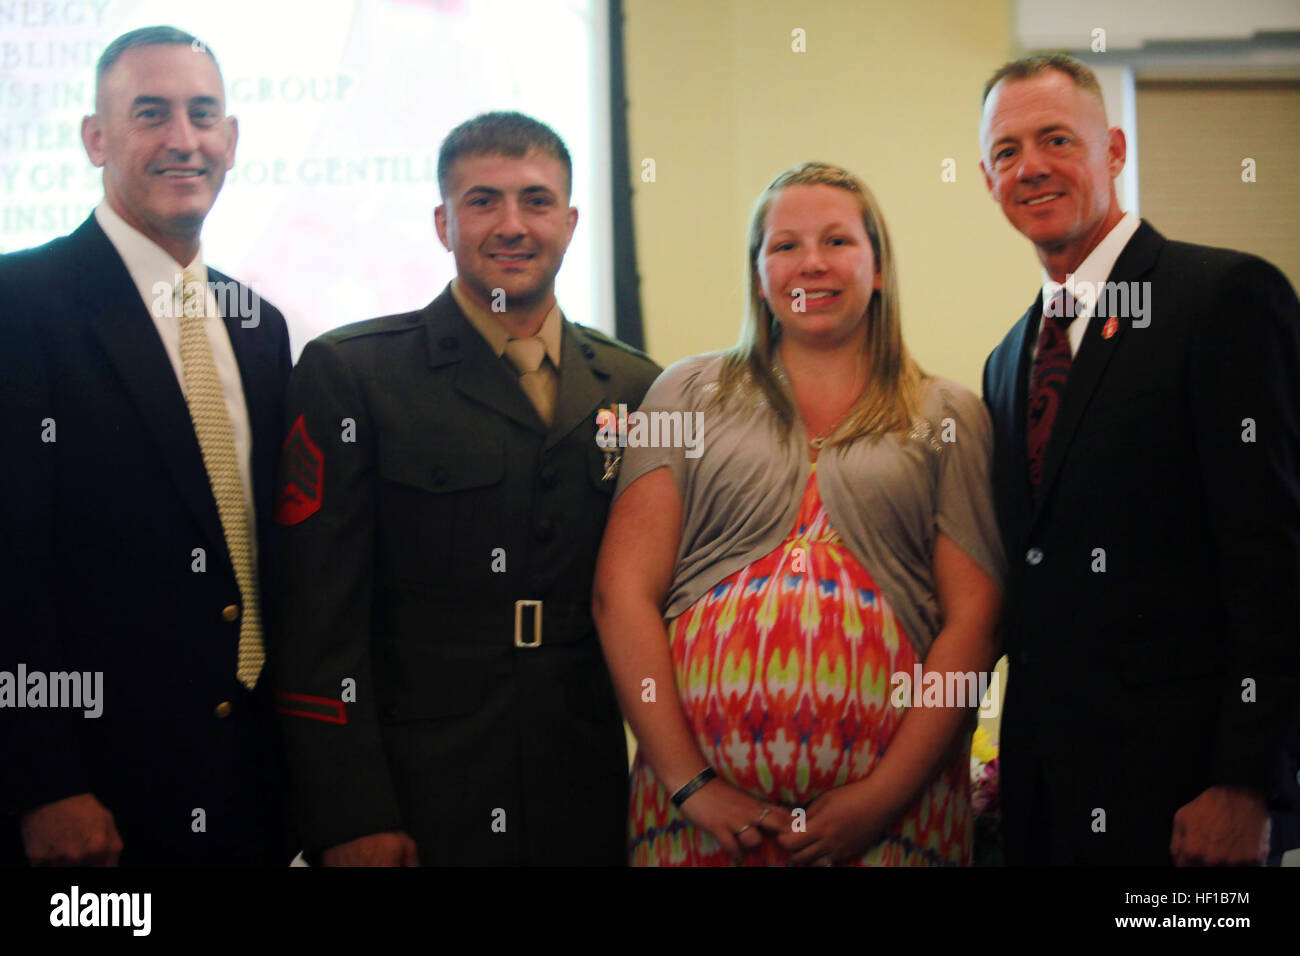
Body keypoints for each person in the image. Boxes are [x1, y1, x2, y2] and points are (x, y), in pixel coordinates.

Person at [272, 112, 661, 866]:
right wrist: (351, 814)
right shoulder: (355, 374)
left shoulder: (638, 386)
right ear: (443, 222)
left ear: (572, 221)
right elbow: (318, 621)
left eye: (537, 201)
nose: (512, 225)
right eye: (483, 201)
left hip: (581, 782)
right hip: (421, 791)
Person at [592, 162, 1003, 866]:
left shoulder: (949, 414)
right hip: (697, 826)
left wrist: (879, 799)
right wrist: (692, 786)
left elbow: (977, 620)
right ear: (759, 275)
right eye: (784, 245)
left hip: (895, 827)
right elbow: (620, 593)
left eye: (837, 241)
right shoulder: (682, 394)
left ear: (878, 268)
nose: (810, 261)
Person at [978, 54, 1300, 866]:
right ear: (987, 180)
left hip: (1190, 804)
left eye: (1057, 139)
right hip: (1050, 804)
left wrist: (1248, 781)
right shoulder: (1007, 359)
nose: (1032, 167)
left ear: (1114, 150)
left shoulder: (1222, 298)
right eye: (1008, 152)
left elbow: (1275, 560)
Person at [0, 26, 293, 866]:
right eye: (150, 114)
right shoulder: (20, 306)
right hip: (93, 805)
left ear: (230, 140)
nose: (183, 140)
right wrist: (42, 782)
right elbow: (9, 565)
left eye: (204, 115)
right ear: (97, 138)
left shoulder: (260, 327)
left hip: (249, 791)